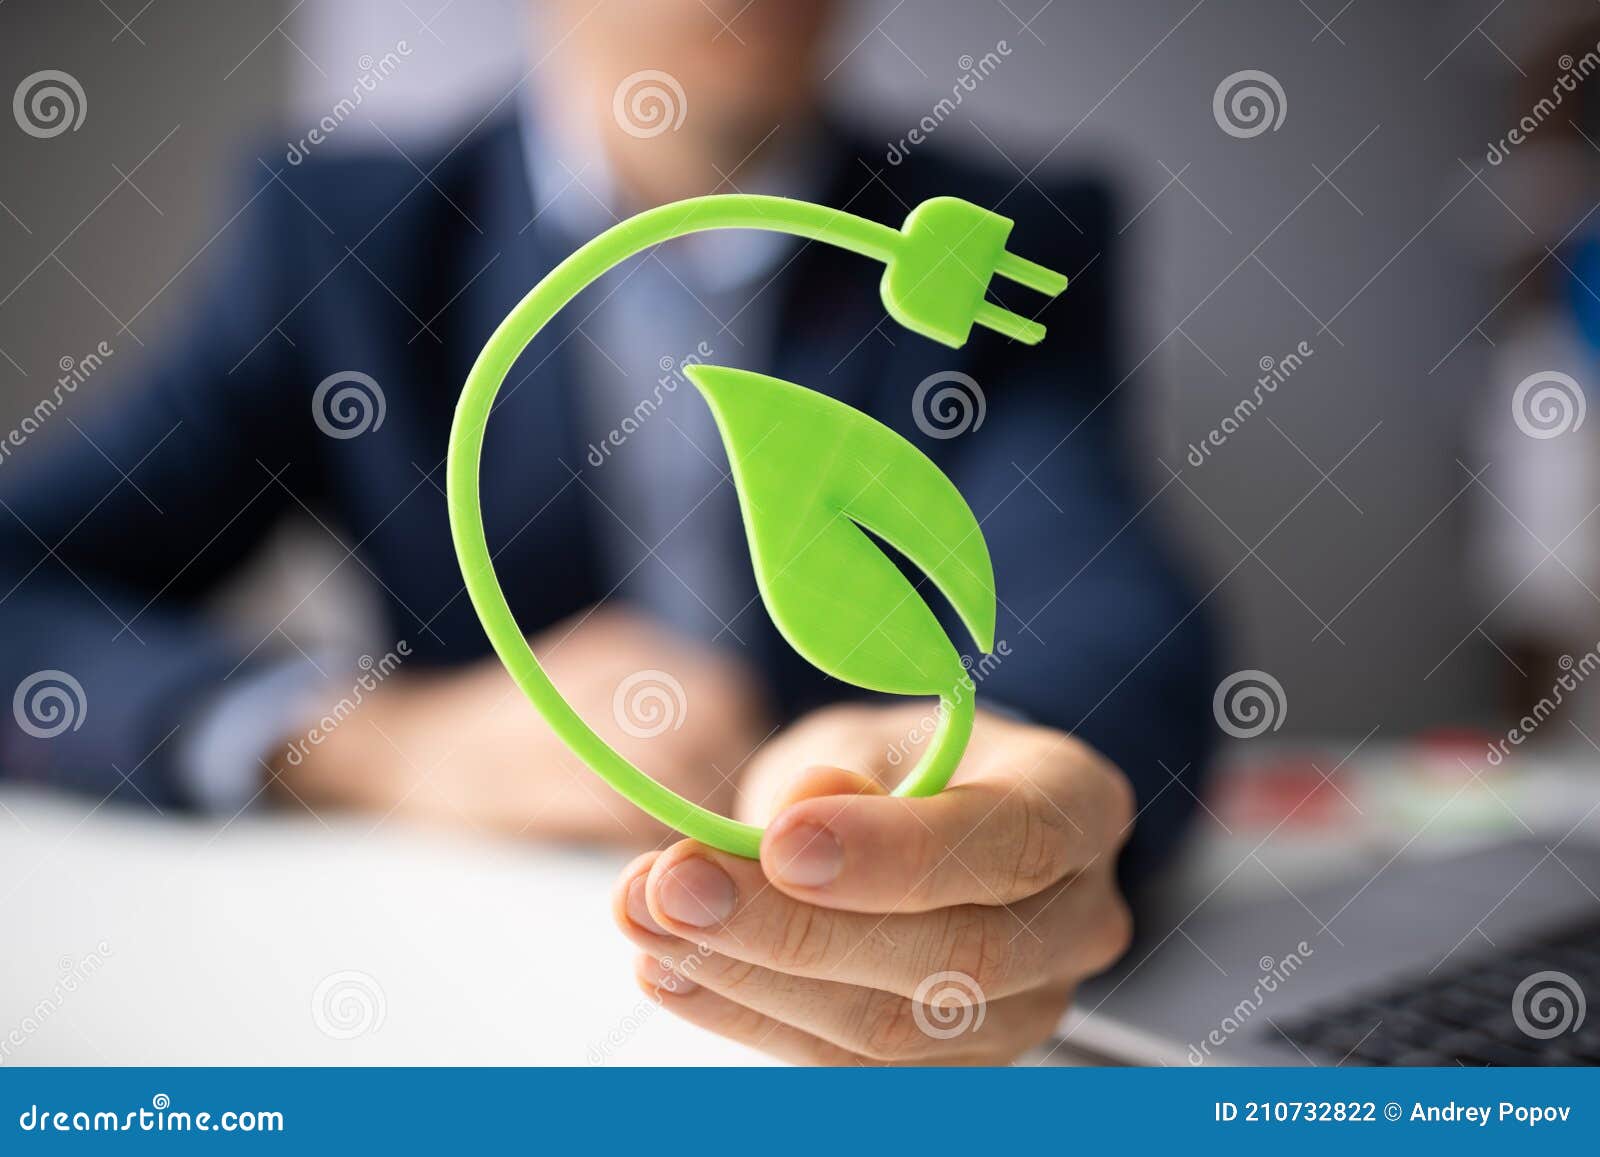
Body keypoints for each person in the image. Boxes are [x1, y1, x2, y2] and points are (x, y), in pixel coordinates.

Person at [0, 0, 1214, 1063]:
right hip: (451, 992)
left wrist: (994, 798)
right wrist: (371, 740)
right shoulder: (342, 238)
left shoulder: (998, 240)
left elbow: (1110, 616)